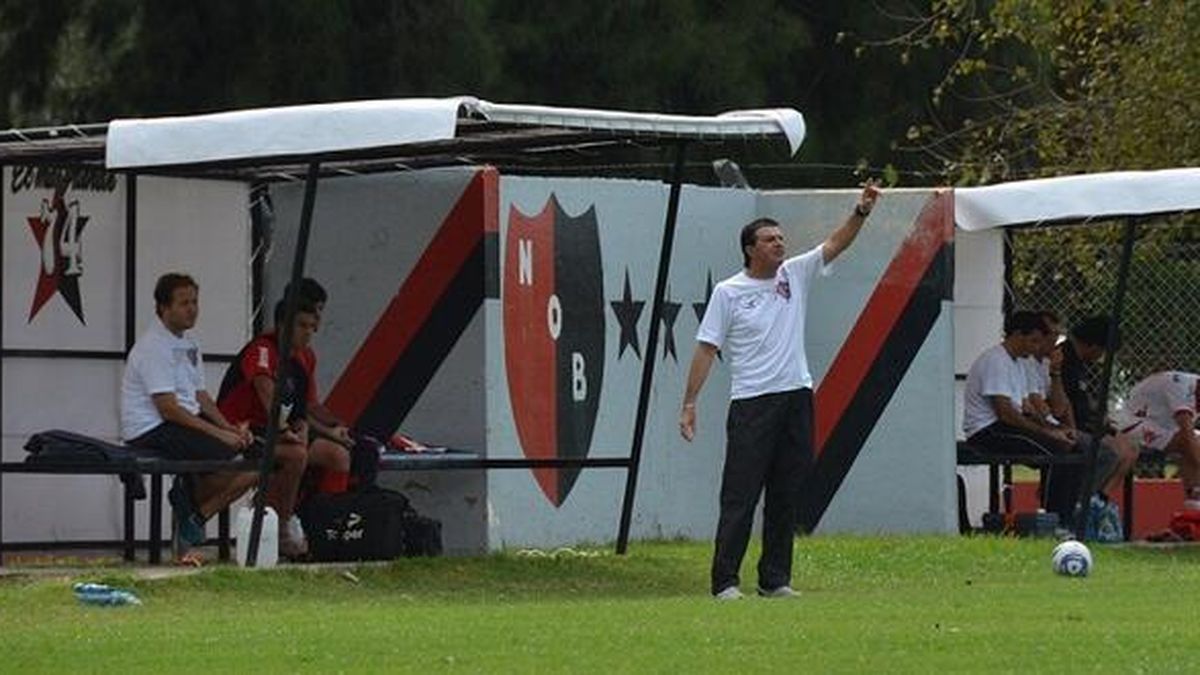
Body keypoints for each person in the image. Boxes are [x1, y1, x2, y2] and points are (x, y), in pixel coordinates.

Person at [680, 180, 882, 600]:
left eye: (781, 239)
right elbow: (705, 348)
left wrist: (861, 210)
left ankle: (774, 579)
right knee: (741, 494)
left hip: (796, 397)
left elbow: (835, 244)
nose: (779, 245)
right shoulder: (729, 292)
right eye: (769, 240)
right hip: (753, 402)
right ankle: (725, 581)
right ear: (750, 249)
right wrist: (690, 402)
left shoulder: (794, 274)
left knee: (785, 492)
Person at [121, 273, 257, 564]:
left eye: (194, 302)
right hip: (151, 428)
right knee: (229, 454)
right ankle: (188, 505)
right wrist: (222, 436)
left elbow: (200, 396)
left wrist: (229, 427)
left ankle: (195, 513)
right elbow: (168, 409)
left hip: (180, 422)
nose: (192, 309)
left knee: (258, 460)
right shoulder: (153, 347)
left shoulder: (190, 343)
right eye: (184, 303)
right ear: (163, 308)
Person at [217, 295, 351, 557]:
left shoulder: (302, 360)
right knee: (295, 454)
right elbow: (269, 398)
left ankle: (328, 527)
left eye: (312, 327)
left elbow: (304, 409)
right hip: (242, 429)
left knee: (338, 455)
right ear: (282, 325)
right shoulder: (263, 349)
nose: (308, 333)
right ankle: (281, 527)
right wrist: (286, 432)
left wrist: (324, 428)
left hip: (276, 432)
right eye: (301, 325)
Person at [963, 311, 1118, 527]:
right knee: (1059, 450)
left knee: (1071, 446)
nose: (1036, 347)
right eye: (1033, 340)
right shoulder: (996, 360)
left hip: (1006, 426)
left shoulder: (1017, 363)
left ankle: (1064, 516)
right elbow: (1005, 413)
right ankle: (1053, 517)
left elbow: (1028, 408)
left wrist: (1053, 428)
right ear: (1017, 335)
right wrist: (1047, 433)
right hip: (988, 431)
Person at [1052, 315, 1137, 495]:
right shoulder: (1064, 359)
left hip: (1087, 425)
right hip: (1070, 426)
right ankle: (1083, 500)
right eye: (1102, 351)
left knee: (1129, 450)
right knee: (1113, 453)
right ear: (1093, 345)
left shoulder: (1080, 364)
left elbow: (1084, 401)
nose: (1101, 357)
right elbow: (1064, 405)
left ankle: (1100, 498)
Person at [1117, 371, 1200, 510]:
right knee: (1191, 443)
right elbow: (1186, 434)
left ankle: (1195, 500)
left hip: (1160, 426)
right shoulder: (1179, 384)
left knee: (1193, 442)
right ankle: (1195, 502)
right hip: (1133, 423)